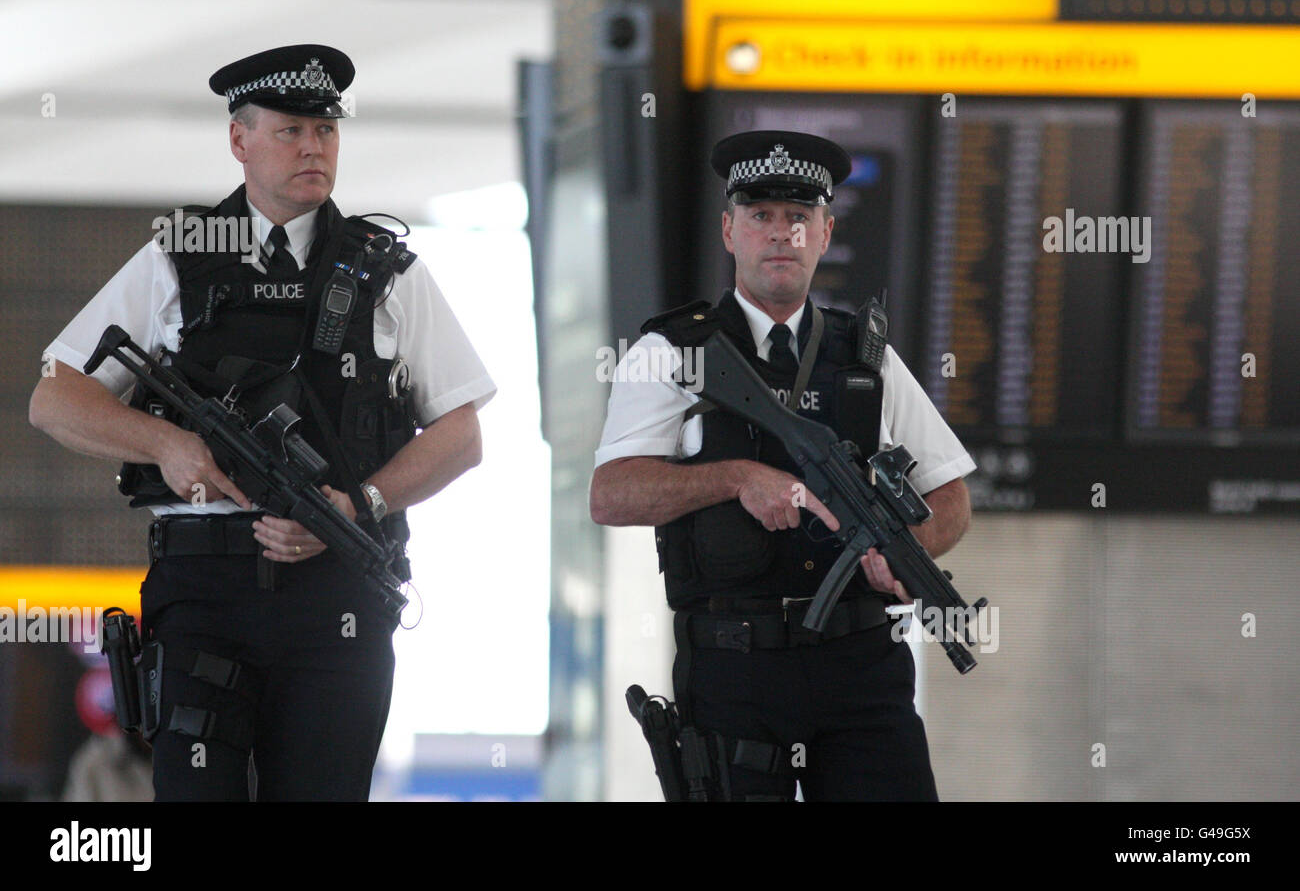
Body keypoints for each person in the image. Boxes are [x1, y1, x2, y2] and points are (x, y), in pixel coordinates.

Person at [29, 44, 495, 801]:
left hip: (335, 590)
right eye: (291, 130)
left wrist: (360, 506)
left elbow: (462, 435)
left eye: (326, 131)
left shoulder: (387, 271)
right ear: (239, 139)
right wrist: (166, 442)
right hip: (205, 587)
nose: (314, 146)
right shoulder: (180, 257)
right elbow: (54, 397)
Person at [590, 130, 975, 801]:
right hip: (735, 668)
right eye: (760, 215)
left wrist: (908, 551)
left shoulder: (866, 354)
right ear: (729, 231)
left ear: (824, 235)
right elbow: (611, 495)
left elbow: (950, 496)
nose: (780, 233)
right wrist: (737, 478)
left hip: (861, 666)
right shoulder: (672, 351)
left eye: (799, 218)